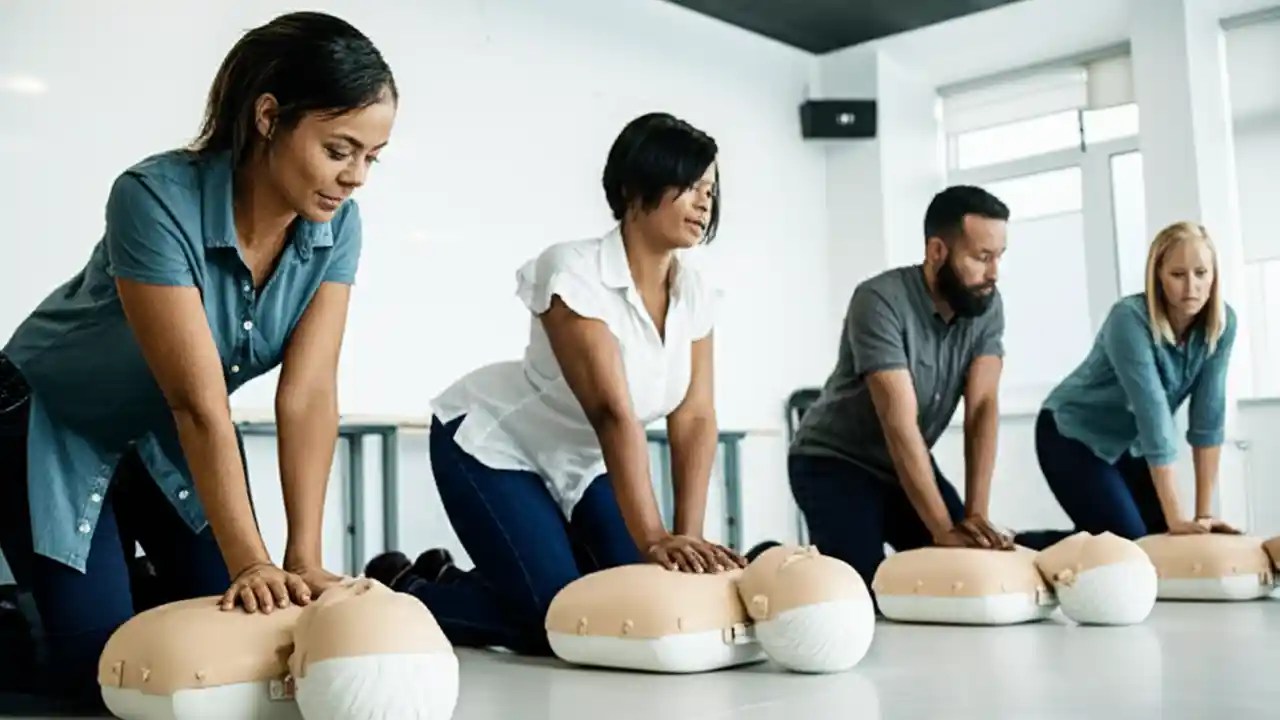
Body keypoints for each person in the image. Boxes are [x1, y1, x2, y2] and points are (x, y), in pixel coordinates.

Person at [0, 11, 396, 705]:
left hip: (158, 433)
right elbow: (199, 402)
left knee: (245, 637)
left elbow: (307, 394)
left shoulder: (338, 226)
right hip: (47, 417)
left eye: (371, 156)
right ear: (269, 116)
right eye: (340, 149)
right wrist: (250, 558)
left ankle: (118, 590)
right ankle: (36, 615)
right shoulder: (153, 197)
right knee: (102, 675)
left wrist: (300, 555)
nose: (356, 177)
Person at [364, 112, 744, 656]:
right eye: (689, 184)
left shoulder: (695, 292)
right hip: (494, 443)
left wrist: (686, 541)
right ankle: (408, 589)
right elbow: (613, 411)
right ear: (635, 186)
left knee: (633, 604)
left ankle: (463, 579)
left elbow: (696, 417)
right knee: (557, 622)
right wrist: (656, 538)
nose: (705, 202)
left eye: (710, 188)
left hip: (588, 462)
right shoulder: (571, 270)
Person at [787, 185, 1016, 593]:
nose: (994, 273)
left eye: (999, 257)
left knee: (963, 569)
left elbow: (982, 407)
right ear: (937, 252)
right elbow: (899, 425)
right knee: (865, 589)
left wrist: (973, 516)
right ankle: (774, 557)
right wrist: (943, 531)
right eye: (982, 258)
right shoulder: (878, 300)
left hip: (900, 468)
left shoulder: (986, 304)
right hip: (833, 462)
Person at [1016, 222, 1239, 550]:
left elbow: (1209, 417)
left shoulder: (1221, 323)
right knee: (1134, 545)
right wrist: (1177, 517)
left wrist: (1203, 515)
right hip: (1072, 435)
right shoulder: (1129, 318)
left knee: (1160, 543)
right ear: (1158, 275)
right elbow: (1154, 416)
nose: (1191, 286)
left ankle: (1075, 538)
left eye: (1201, 272)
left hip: (1129, 447)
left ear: (1214, 275)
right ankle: (1016, 543)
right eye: (1178, 274)